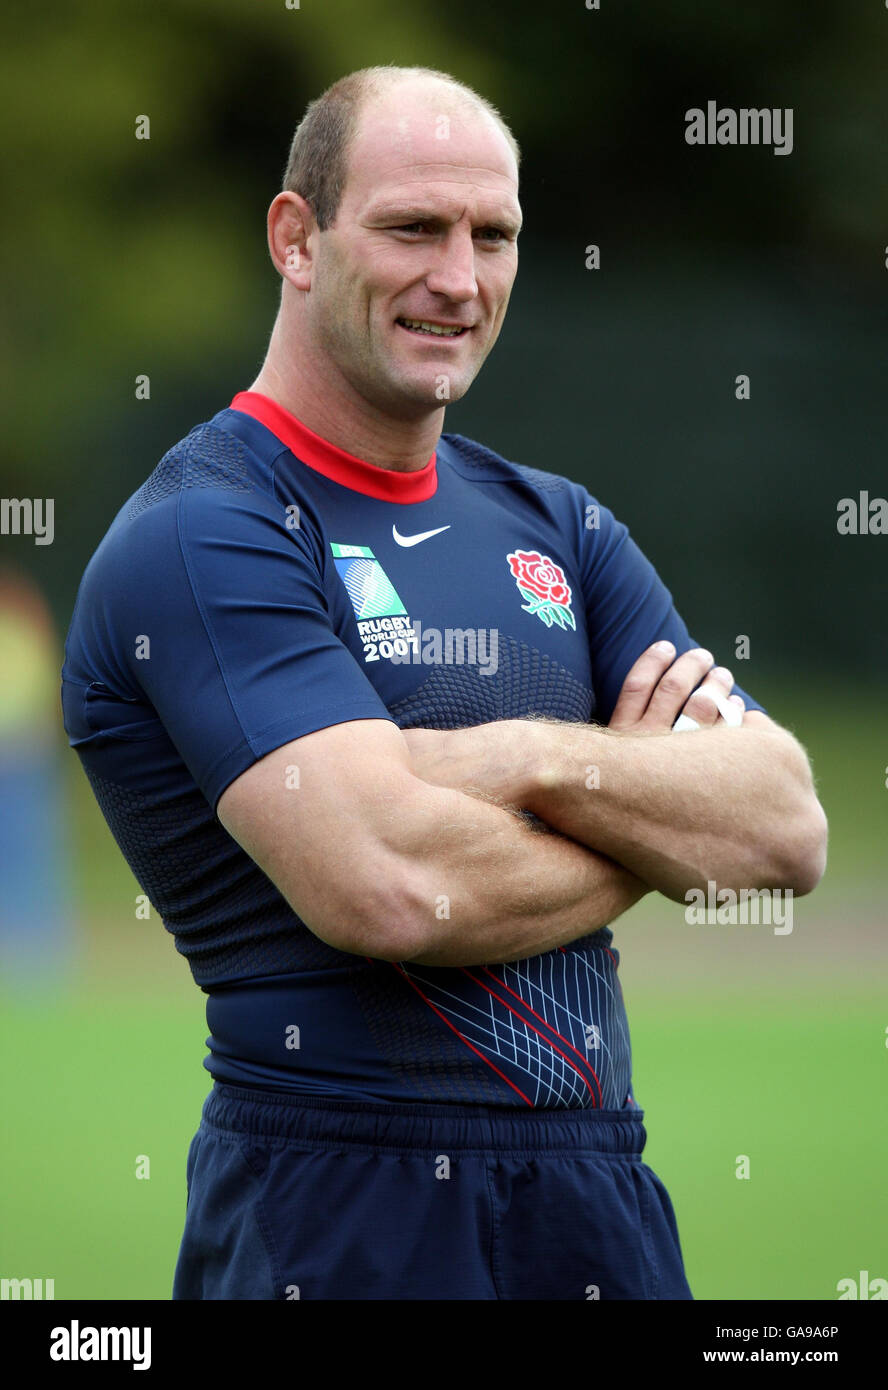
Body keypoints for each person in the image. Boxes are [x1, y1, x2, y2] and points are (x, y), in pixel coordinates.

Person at [61, 65, 827, 1301]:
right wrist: (653, 825)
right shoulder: (209, 530)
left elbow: (785, 827)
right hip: (340, 1210)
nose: (460, 281)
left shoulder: (560, 525)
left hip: (602, 1202)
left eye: (496, 236)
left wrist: (528, 761)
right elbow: (394, 887)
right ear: (296, 240)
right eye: (414, 227)